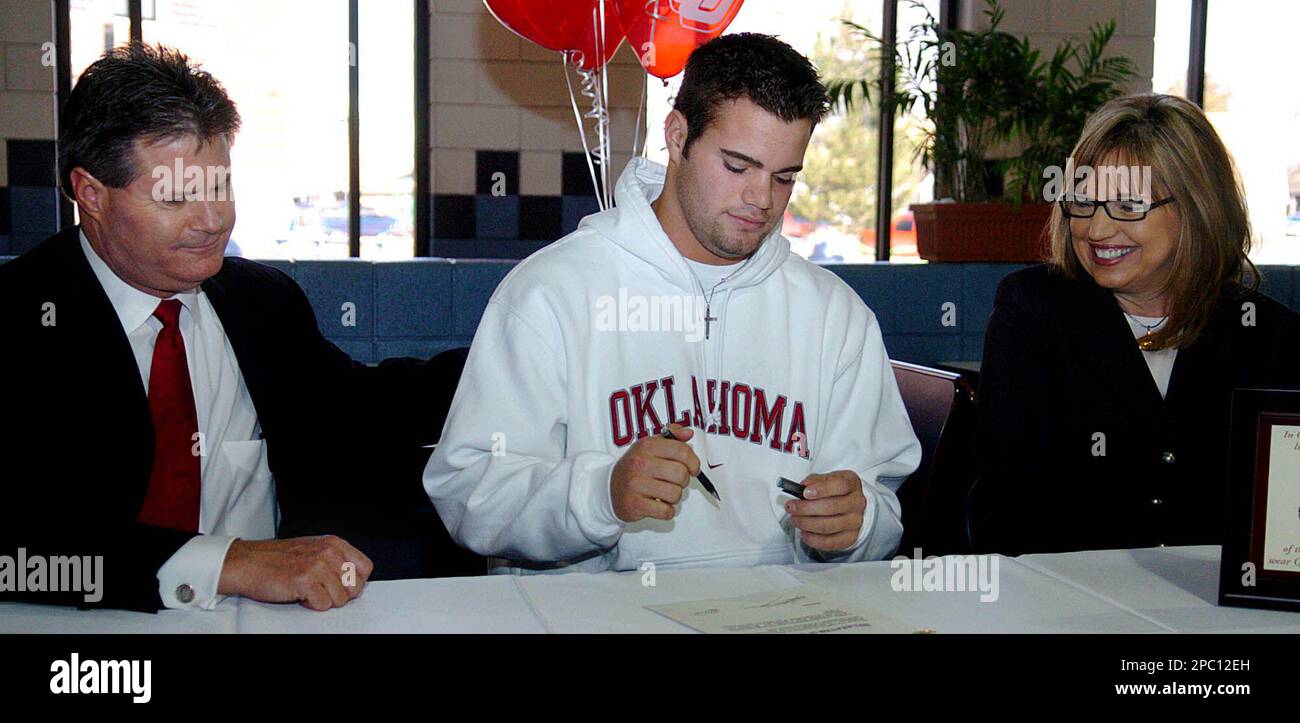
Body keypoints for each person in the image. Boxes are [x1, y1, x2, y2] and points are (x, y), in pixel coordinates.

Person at [425, 33, 920, 572]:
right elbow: (467, 491)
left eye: (784, 178)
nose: (761, 199)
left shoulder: (836, 317)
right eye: (737, 166)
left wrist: (858, 522)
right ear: (678, 136)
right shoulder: (550, 293)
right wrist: (600, 493)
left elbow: (882, 508)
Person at [0, 44, 465, 613]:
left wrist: (513, 361)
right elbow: (22, 542)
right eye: (177, 197)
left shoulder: (259, 302)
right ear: (91, 194)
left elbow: (359, 406)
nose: (214, 219)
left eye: (220, 186)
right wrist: (230, 561)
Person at [971, 93, 1300, 556]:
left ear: (1196, 206)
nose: (1097, 229)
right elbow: (1009, 506)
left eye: (1128, 205)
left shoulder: (1268, 336)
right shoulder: (1035, 313)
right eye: (1083, 201)